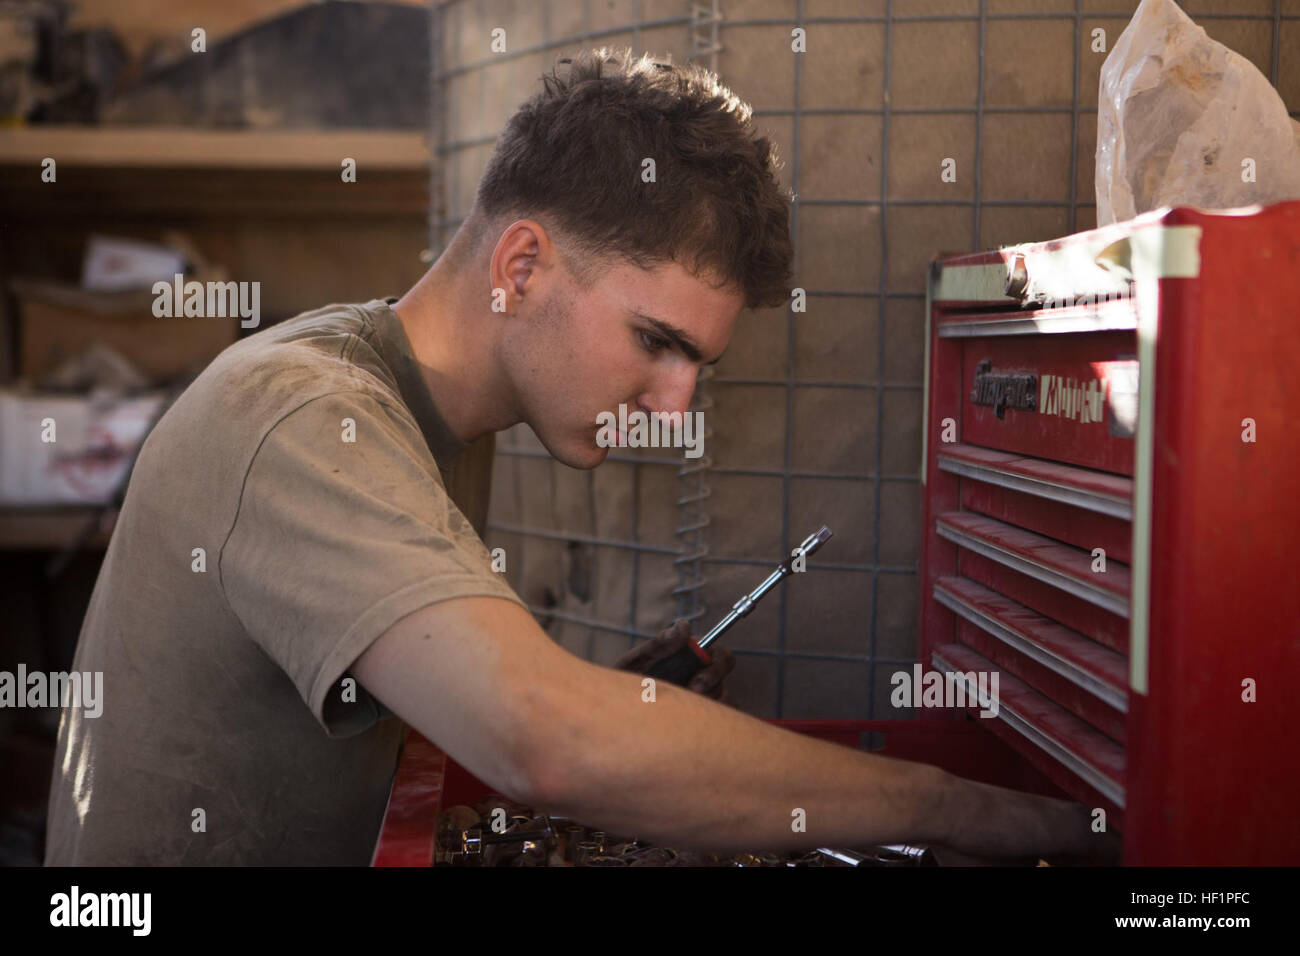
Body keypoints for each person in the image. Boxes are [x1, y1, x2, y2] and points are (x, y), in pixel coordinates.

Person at [45, 48, 1113, 866]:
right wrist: (952, 807)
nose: (676, 399)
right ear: (521, 263)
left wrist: (610, 703)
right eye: (656, 341)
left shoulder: (427, 417)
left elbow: (491, 714)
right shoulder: (301, 416)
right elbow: (539, 740)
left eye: (699, 361)